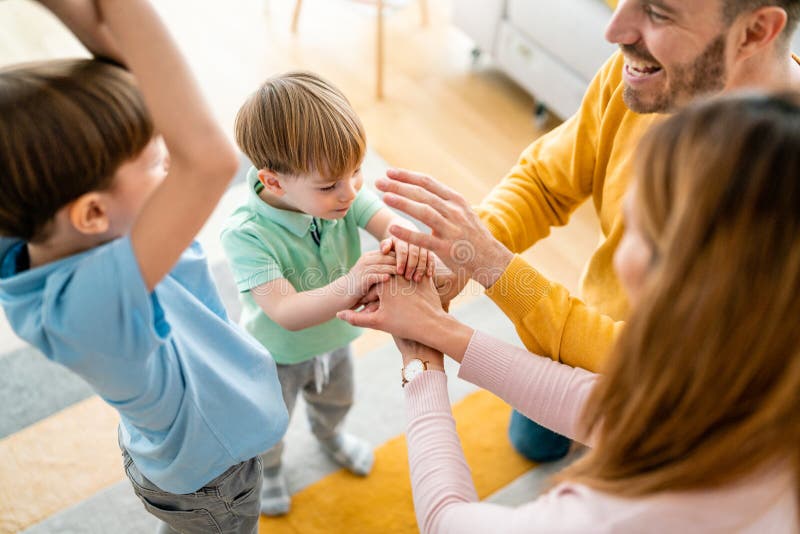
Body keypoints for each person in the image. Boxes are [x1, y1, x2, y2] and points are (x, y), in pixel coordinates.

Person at [339, 91, 800, 532]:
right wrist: (443, 330)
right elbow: (612, 407)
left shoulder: (621, 511)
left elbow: (446, 521)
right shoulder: (758, 378)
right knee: (534, 437)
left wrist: (421, 362)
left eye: (636, 229)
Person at [367, 0, 800, 463]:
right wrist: (458, 257)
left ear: (755, 31)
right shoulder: (645, 76)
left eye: (658, 12)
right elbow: (545, 181)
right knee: (534, 440)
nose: (614, 29)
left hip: (676, 397)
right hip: (587, 326)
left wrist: (490, 267)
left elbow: (656, 368)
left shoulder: (778, 206)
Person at [0, 1, 289, 533]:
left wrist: (77, 14)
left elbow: (136, 87)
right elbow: (209, 160)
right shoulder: (87, 311)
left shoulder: (37, 232)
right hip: (211, 482)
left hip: (179, 462)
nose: (173, 167)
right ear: (92, 211)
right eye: (159, 165)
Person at [219, 71, 433, 516]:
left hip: (335, 339)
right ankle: (271, 469)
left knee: (337, 399)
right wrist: (353, 282)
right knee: (270, 425)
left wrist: (407, 239)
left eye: (356, 173)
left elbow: (384, 220)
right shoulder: (246, 233)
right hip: (276, 356)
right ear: (274, 182)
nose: (351, 192)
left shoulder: (339, 191)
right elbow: (286, 312)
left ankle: (330, 435)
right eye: (331, 185)